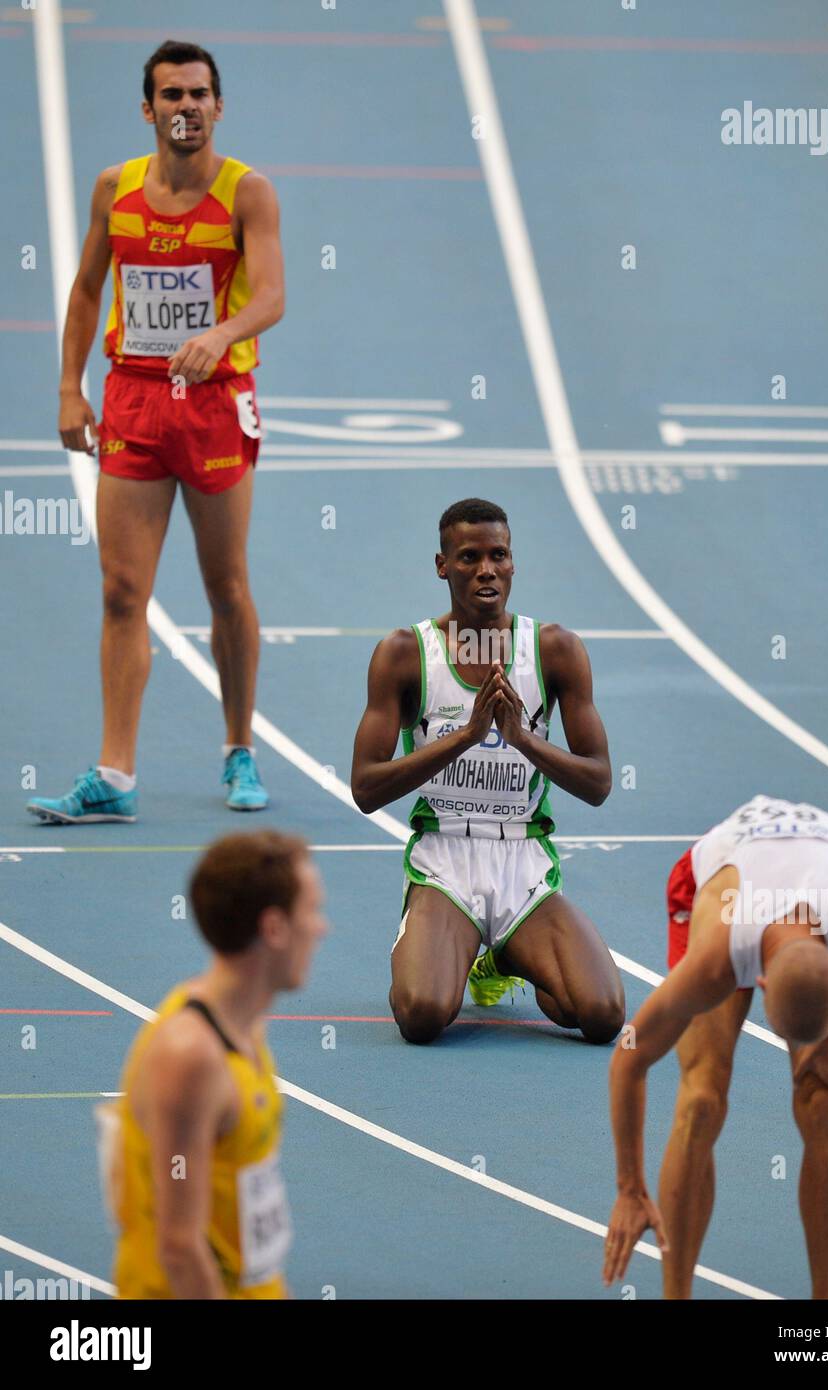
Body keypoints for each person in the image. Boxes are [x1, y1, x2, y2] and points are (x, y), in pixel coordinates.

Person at [28, 40, 284, 824]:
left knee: (226, 585)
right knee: (120, 591)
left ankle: (237, 747)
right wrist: (70, 389)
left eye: (199, 94)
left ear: (218, 104)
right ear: (149, 109)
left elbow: (271, 297)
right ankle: (116, 772)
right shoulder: (116, 188)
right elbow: (83, 292)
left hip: (212, 403)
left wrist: (221, 332)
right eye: (171, 95)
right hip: (134, 403)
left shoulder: (248, 193)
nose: (186, 106)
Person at [603, 794, 828, 1298]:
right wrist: (629, 1189)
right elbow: (630, 1054)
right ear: (761, 985)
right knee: (703, 1098)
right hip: (726, 876)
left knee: (825, 1101)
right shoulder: (716, 962)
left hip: (819, 862)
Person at [350, 497, 625, 1044]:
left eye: (498, 555)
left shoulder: (555, 651)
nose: (486, 570)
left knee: (600, 1016)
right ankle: (442, 945)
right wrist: (467, 738)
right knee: (423, 1017)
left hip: (522, 861)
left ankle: (505, 957)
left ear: (513, 562)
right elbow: (365, 787)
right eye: (469, 557)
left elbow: (598, 782)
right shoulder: (405, 654)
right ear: (441, 565)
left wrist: (521, 739)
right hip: (444, 859)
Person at [97, 830, 327, 1298]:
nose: (322, 928)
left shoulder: (244, 1024)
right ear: (274, 928)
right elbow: (179, 1245)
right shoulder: (191, 1058)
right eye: (312, 912)